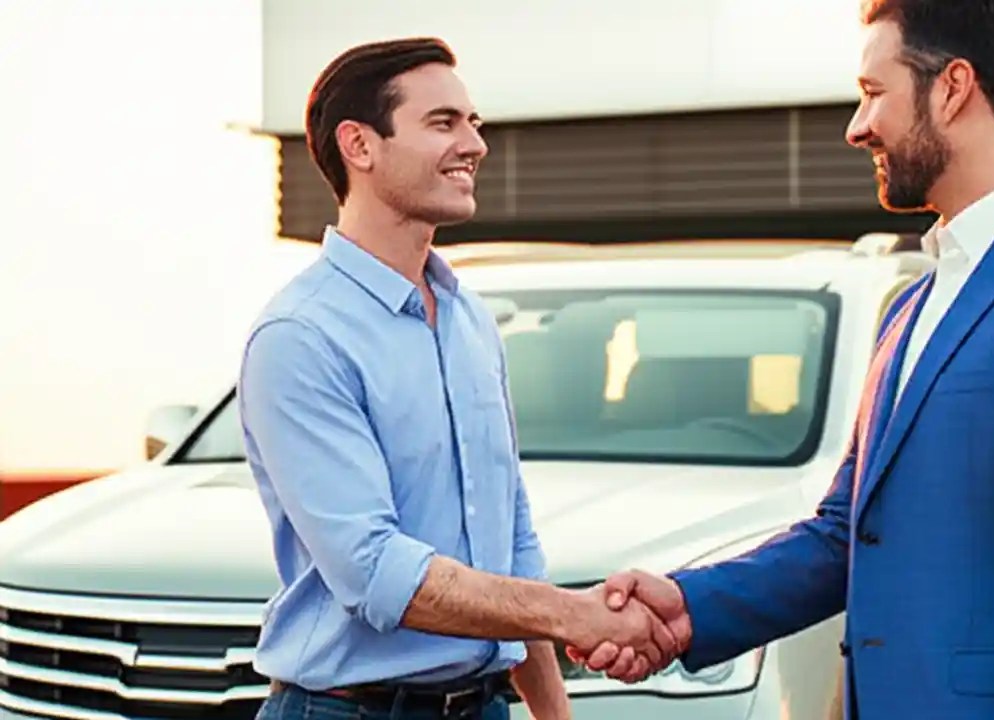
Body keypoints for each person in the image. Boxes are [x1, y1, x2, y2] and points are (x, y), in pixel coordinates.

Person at [575, 1, 994, 718]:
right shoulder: (911, 304)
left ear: (953, 87)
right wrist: (688, 607)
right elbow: (846, 532)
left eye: (874, 93)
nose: (857, 126)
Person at [238, 38, 675, 720]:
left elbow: (513, 542)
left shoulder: (470, 319)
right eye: (444, 123)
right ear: (359, 145)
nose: (475, 144)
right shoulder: (301, 337)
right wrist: (573, 615)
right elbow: (376, 573)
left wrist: (554, 714)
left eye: (474, 123)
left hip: (483, 706)